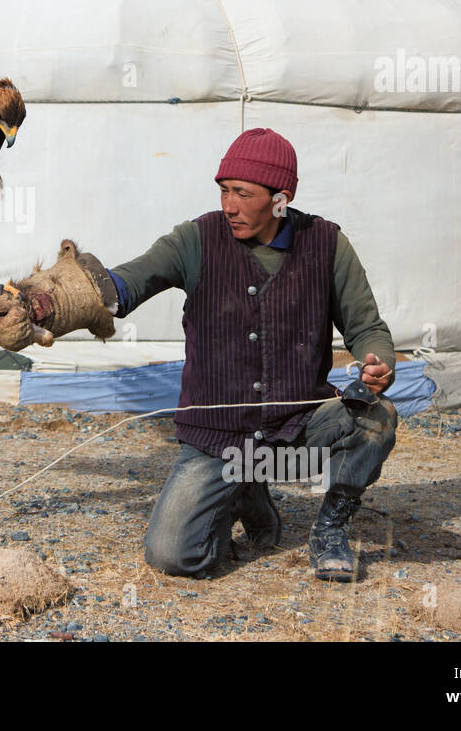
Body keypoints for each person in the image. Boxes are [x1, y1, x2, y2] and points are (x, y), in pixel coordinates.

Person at [103, 128, 399, 582]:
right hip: (217, 439)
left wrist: (378, 361)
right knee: (173, 557)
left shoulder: (326, 245)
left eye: (242, 193)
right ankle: (243, 490)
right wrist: (61, 298)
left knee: (374, 418)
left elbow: (367, 328)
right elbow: (130, 281)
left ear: (281, 199)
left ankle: (330, 528)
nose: (229, 205)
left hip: (294, 433)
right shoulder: (196, 240)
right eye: (223, 190)